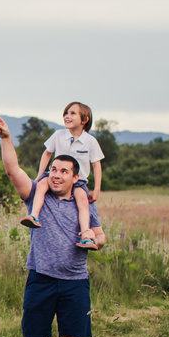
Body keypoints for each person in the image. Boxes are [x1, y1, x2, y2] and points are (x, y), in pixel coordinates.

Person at [0, 113, 105, 337]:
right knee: (31, 336)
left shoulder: (85, 203)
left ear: (75, 177)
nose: (55, 175)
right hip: (41, 276)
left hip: (75, 281)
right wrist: (7, 139)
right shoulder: (36, 197)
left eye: (63, 171)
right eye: (53, 169)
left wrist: (96, 241)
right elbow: (13, 170)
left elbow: (100, 236)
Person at [19, 100, 104, 249]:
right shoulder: (58, 135)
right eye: (66, 113)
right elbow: (47, 154)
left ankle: (85, 234)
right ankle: (34, 215)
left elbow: (96, 165)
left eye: (72, 113)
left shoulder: (90, 141)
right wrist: (40, 175)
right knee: (41, 186)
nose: (67, 116)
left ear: (84, 120)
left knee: (83, 201)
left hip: (79, 181)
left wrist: (96, 189)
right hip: (55, 175)